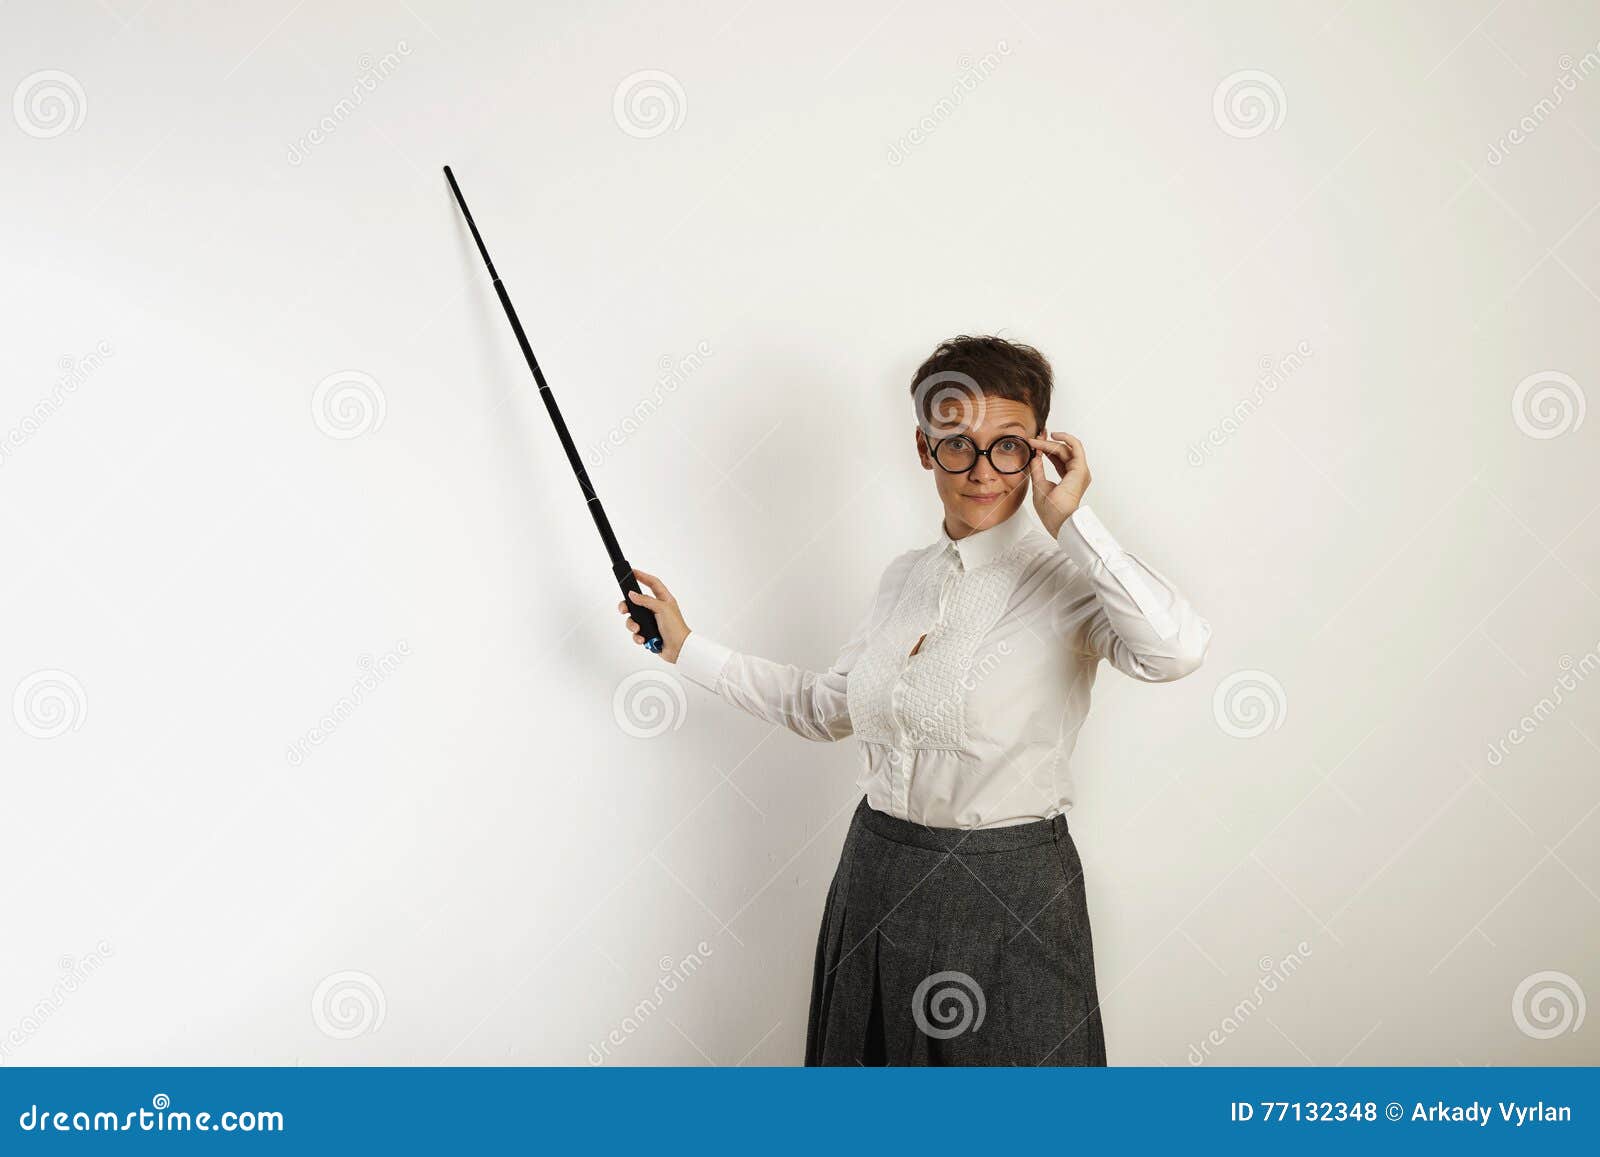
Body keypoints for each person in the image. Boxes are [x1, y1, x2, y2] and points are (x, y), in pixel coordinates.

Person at [617, 335, 1211, 1065]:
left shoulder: (1067, 582)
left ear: (1041, 452)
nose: (983, 469)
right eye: (958, 443)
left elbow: (1176, 649)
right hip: (871, 878)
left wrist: (1073, 522)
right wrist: (685, 647)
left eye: (1009, 446)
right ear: (925, 448)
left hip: (1007, 897)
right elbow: (825, 707)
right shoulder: (904, 578)